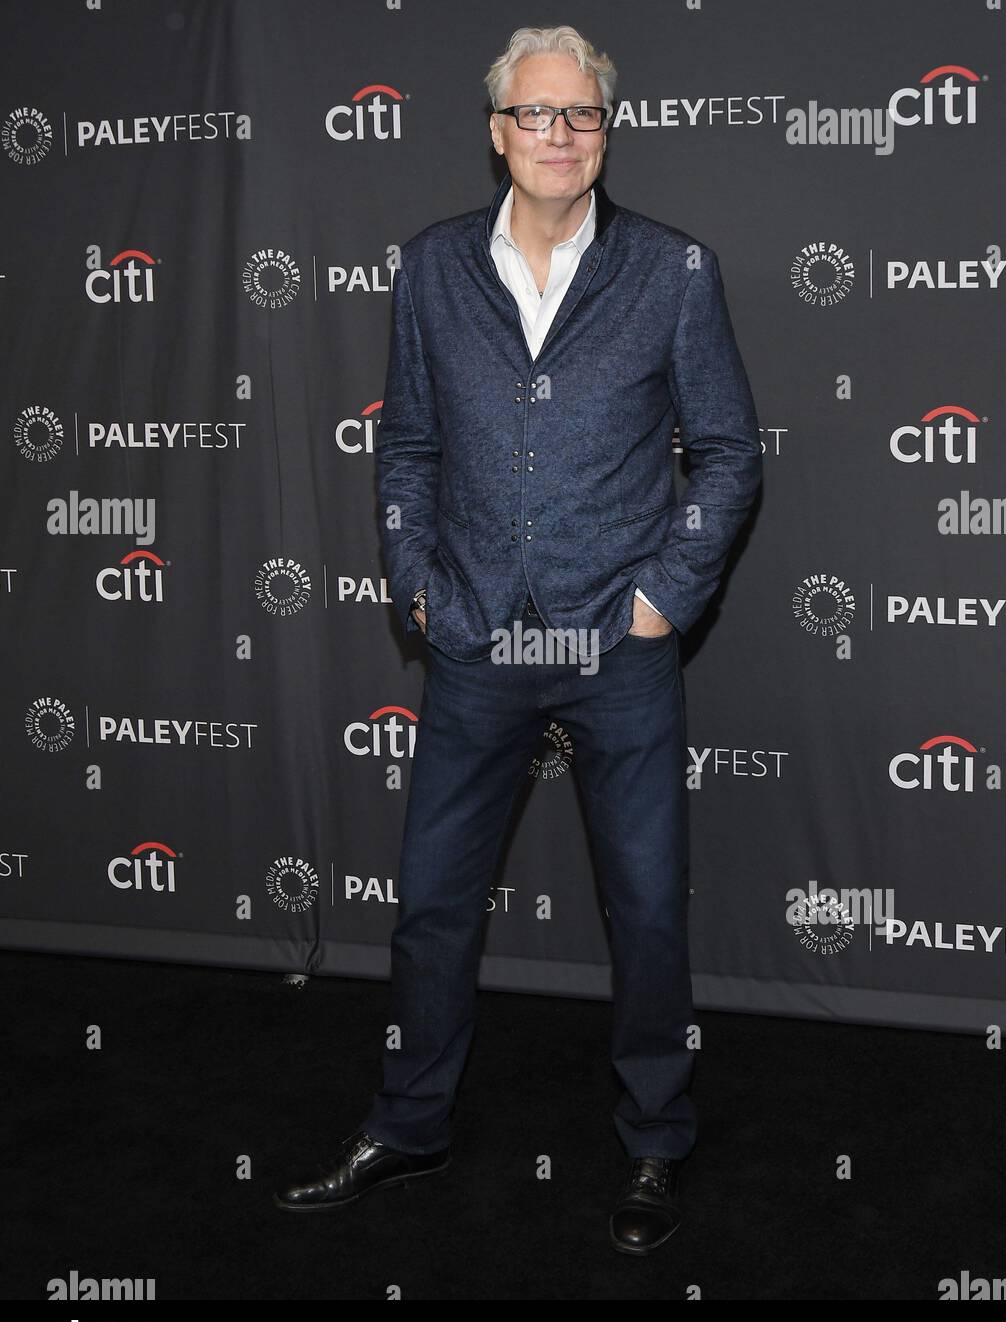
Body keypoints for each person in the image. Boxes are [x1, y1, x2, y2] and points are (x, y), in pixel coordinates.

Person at [275, 23, 761, 1256]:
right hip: (478, 636)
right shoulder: (433, 265)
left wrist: (660, 596)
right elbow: (410, 447)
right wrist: (418, 582)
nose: (559, 135)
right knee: (432, 906)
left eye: (580, 116)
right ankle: (409, 1121)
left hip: (620, 642)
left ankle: (654, 1140)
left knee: (645, 908)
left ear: (606, 132)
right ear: (497, 134)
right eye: (536, 115)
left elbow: (726, 451)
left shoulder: (672, 269)